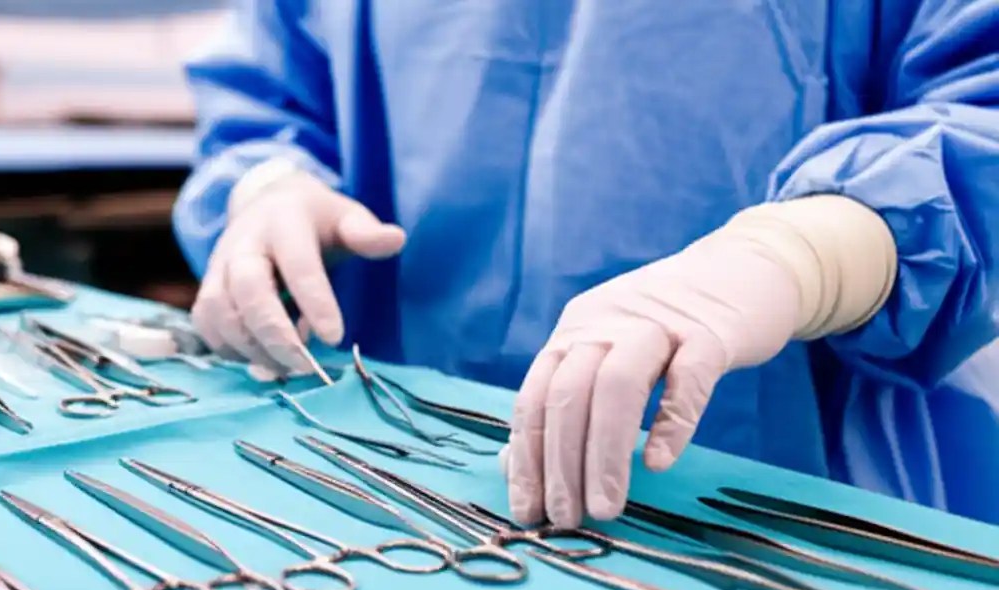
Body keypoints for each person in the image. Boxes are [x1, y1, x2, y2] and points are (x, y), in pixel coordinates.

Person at [172, 1, 999, 526]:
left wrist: (805, 258)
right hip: (391, 468)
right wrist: (270, 183)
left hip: (792, 498)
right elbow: (275, 81)